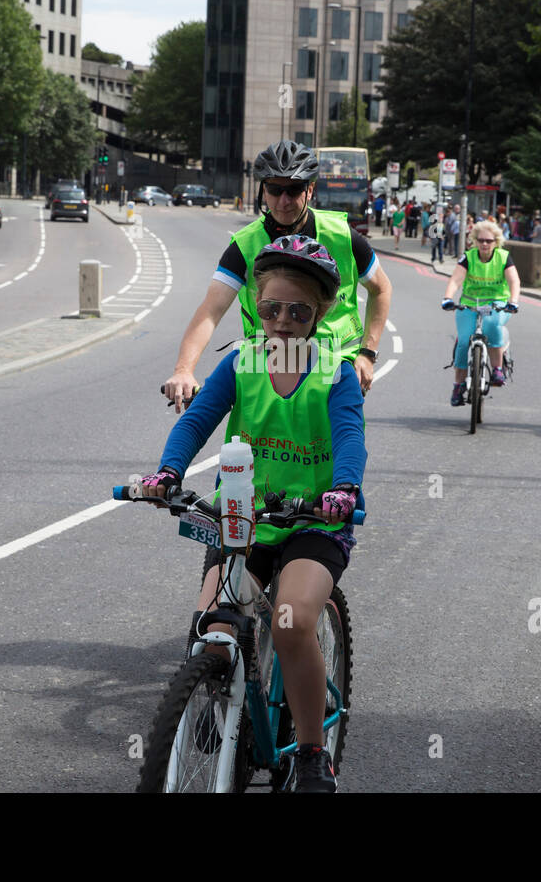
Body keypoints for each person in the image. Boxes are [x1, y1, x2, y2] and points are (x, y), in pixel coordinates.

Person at [139, 236, 365, 793]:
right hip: (242, 520)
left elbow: (350, 437)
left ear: (322, 312)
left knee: (291, 622)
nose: (283, 322)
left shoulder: (335, 371)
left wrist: (344, 488)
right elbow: (197, 423)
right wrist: (169, 472)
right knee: (210, 627)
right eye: (271, 309)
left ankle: (312, 752)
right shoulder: (242, 362)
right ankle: (219, 703)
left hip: (314, 521)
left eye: (299, 311)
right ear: (256, 307)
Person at [162, 140, 392, 411]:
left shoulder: (342, 235)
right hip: (271, 366)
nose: (284, 201)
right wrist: (183, 370)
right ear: (264, 191)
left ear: (309, 190)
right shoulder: (244, 246)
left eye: (294, 190)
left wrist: (367, 353)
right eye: (275, 189)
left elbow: (381, 289)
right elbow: (211, 311)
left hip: (334, 370)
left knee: (334, 448)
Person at [441, 219, 521, 405]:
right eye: (481, 240)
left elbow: (514, 282)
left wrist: (513, 302)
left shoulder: (503, 257)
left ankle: (498, 369)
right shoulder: (468, 257)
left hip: (497, 303)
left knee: (491, 324)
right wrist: (447, 297)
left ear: (496, 242)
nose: (485, 244)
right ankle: (458, 386)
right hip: (469, 303)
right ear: (475, 240)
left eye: (489, 241)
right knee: (463, 340)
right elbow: (455, 280)